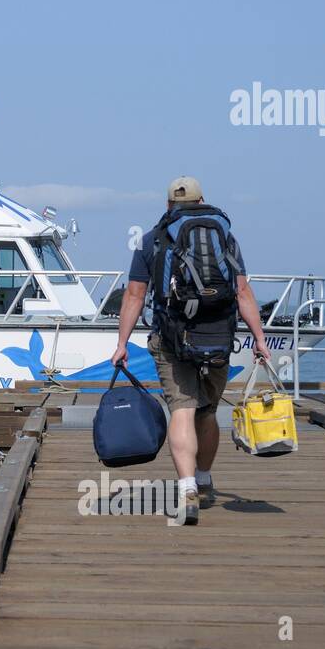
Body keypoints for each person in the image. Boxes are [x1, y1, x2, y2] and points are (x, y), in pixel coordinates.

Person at [110, 177, 272, 526]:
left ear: (168, 205)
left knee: (181, 410)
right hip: (218, 336)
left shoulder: (151, 239)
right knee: (208, 411)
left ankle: (186, 489)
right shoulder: (225, 236)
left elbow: (135, 296)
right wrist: (259, 338)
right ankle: (204, 477)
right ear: (203, 202)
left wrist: (122, 344)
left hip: (171, 339)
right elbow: (243, 293)